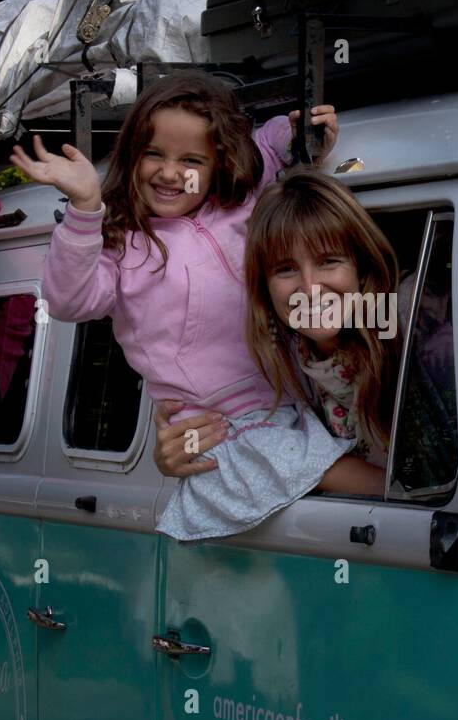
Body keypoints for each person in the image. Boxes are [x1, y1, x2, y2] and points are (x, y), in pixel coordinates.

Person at [17, 71, 372, 542]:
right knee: (355, 481)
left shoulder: (240, 205)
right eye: (153, 154)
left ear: (217, 164)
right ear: (131, 156)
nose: (168, 172)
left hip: (291, 400)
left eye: (190, 160)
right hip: (219, 426)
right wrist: (85, 206)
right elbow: (66, 299)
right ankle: (417, 498)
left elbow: (265, 146)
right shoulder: (122, 244)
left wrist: (299, 131)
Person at [154, 167, 409, 493]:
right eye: (286, 269)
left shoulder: (405, 336)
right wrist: (177, 452)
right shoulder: (276, 361)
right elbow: (246, 444)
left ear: (361, 268)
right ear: (266, 287)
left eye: (329, 261)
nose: (310, 288)